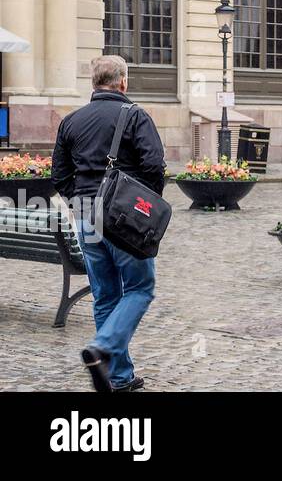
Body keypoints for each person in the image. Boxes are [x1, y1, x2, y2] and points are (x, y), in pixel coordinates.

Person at [51, 54, 165, 393]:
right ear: (123, 82)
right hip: (123, 217)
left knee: (105, 295)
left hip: (86, 215)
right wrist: (143, 206)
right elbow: (154, 166)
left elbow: (59, 175)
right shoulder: (135, 115)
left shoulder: (71, 121)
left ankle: (117, 376)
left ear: (93, 83)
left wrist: (81, 201)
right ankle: (103, 349)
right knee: (140, 288)